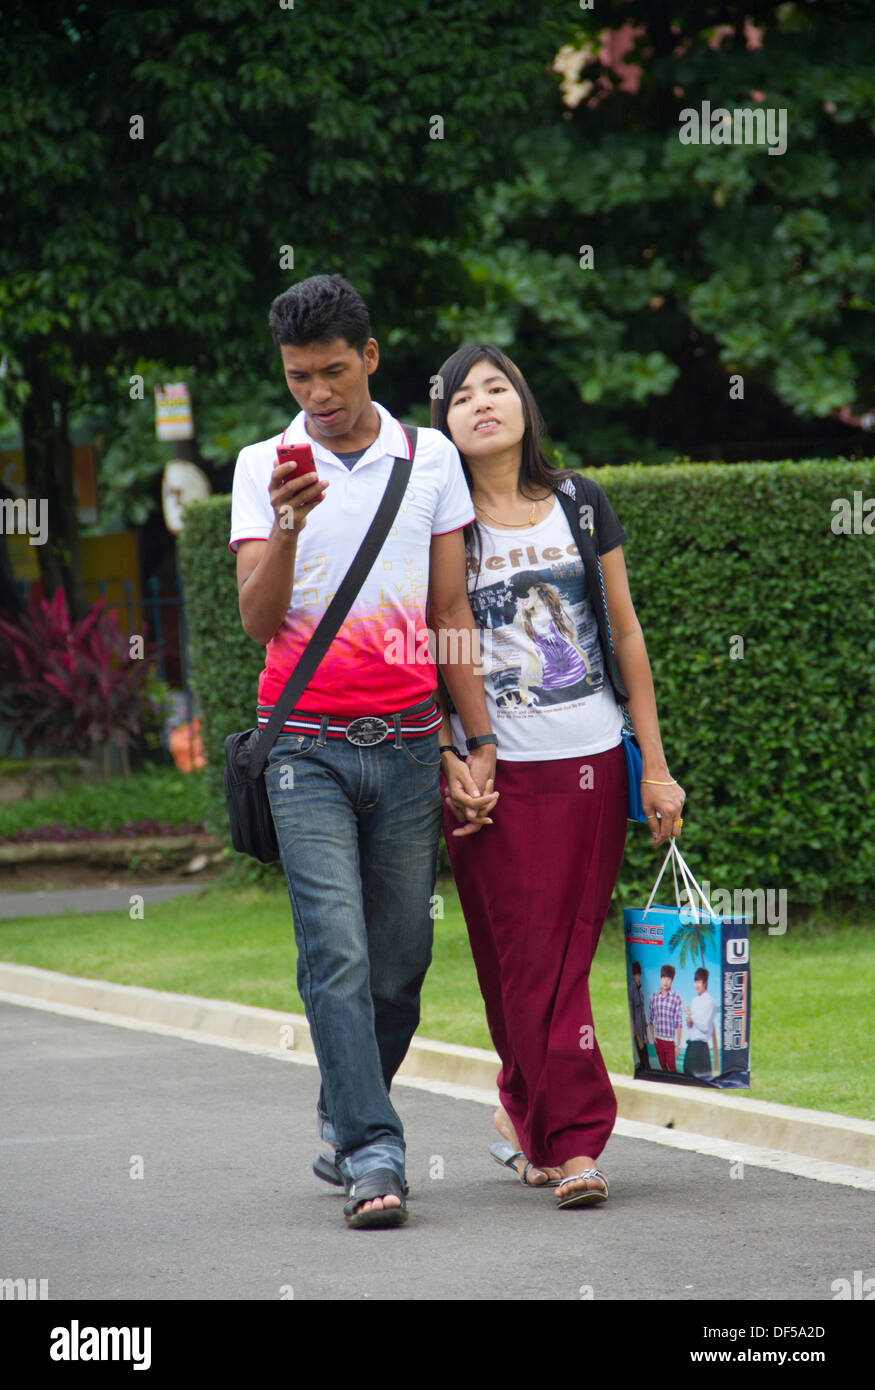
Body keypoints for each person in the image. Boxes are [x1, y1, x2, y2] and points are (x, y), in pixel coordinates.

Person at [229, 277, 495, 1228]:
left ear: (371, 358)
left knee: (400, 965)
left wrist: (480, 739)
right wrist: (290, 522)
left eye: (334, 372)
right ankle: (376, 1155)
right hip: (302, 747)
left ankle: (344, 1117)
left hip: (411, 748)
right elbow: (258, 620)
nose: (317, 394)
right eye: (299, 376)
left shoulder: (428, 460)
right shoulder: (264, 461)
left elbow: (450, 611)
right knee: (334, 953)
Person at [430, 343, 685, 1209]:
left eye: (497, 385)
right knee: (515, 961)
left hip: (587, 757)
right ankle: (538, 1121)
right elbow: (434, 643)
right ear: (446, 424)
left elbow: (624, 636)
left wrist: (652, 766)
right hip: (489, 773)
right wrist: (452, 747)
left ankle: (564, 1140)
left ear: (524, 402)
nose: (482, 403)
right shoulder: (437, 520)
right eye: (462, 396)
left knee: (560, 954)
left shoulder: (578, 502)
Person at [684, 967, 719, 1078]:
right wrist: (689, 1021)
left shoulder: (709, 1001)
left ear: (705, 983)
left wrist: (691, 1015)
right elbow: (693, 1026)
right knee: (687, 1078)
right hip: (691, 1045)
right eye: (695, 981)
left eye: (699, 982)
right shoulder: (695, 1000)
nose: (697, 985)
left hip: (700, 1048)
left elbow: (704, 1025)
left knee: (699, 1081)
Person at [648, 965, 684, 1072]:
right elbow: (650, 1019)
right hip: (658, 1041)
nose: (665, 981)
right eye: (664, 978)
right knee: (662, 1067)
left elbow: (679, 1023)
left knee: (672, 1068)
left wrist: (677, 1046)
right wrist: (653, 1037)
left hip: (669, 1042)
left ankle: (676, 1087)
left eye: (668, 979)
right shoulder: (653, 997)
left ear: (672, 980)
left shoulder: (676, 997)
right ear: (660, 978)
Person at [629, 961, 650, 1072]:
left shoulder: (641, 993)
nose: (639, 977)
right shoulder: (631, 991)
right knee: (643, 1067)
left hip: (643, 1036)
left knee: (647, 1065)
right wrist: (639, 1039)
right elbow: (632, 1017)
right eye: (637, 974)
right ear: (633, 975)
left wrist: (646, 1036)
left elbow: (643, 1015)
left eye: (640, 974)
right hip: (638, 1037)